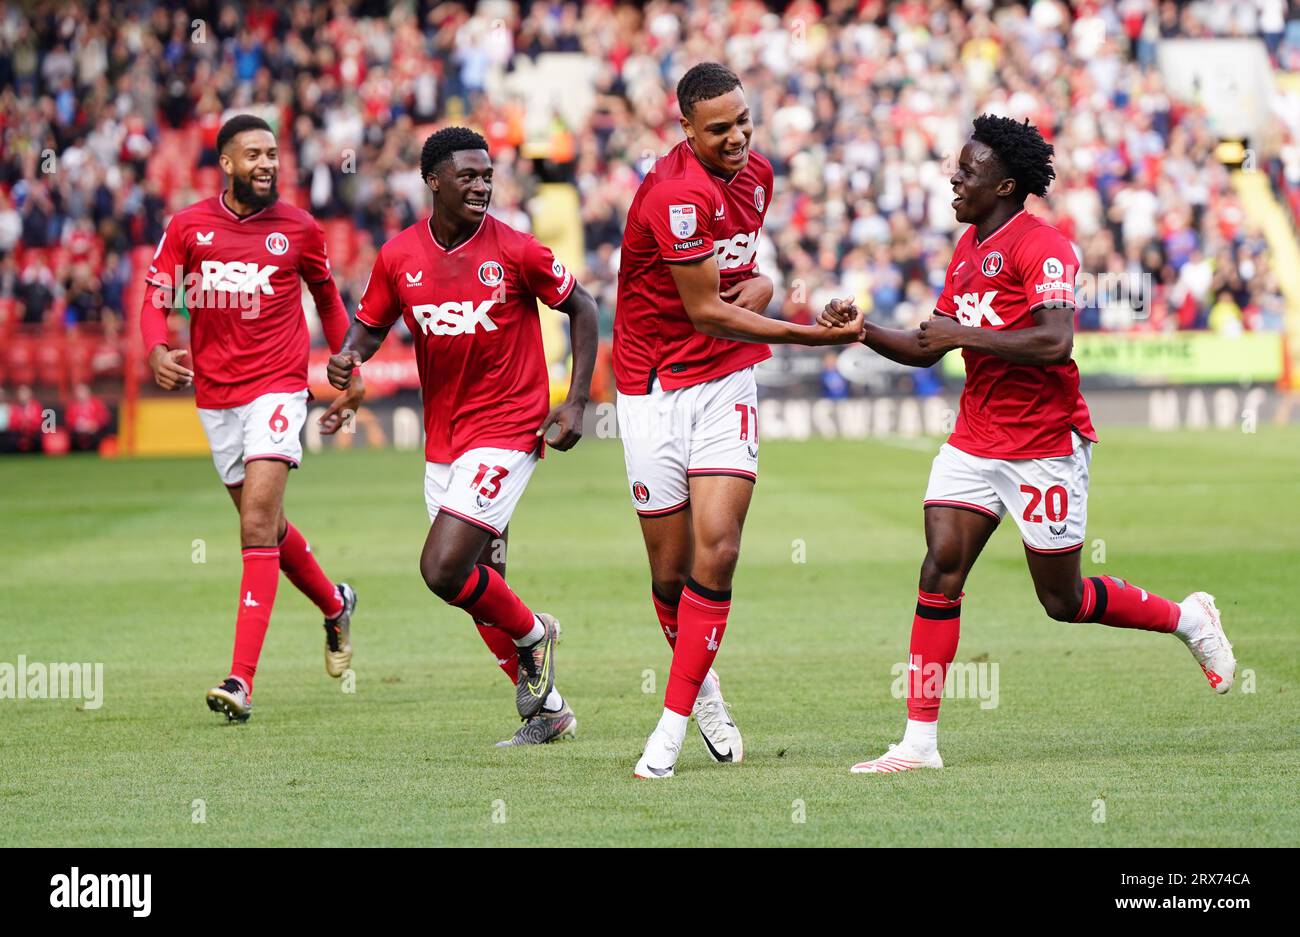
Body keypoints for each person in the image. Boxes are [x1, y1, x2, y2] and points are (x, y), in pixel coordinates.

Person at [819, 115, 1235, 773]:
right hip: (975, 439)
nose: (953, 178)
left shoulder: (1044, 248)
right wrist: (863, 331)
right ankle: (919, 743)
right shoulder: (966, 250)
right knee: (940, 567)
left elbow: (1053, 341)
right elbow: (932, 345)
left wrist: (964, 338)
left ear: (1005, 184)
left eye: (967, 170)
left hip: (1044, 443)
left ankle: (1188, 618)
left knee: (1061, 602)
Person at [614, 63, 862, 779]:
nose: (737, 137)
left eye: (743, 120)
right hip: (654, 386)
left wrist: (766, 287)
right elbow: (707, 310)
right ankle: (706, 689)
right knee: (669, 576)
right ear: (686, 129)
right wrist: (811, 335)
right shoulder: (675, 196)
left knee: (716, 551)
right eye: (718, 127)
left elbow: (746, 276)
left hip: (725, 379)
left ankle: (671, 724)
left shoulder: (758, 176)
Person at [327, 127, 599, 747]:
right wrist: (348, 356)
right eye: (467, 176)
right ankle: (548, 711)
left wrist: (574, 400)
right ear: (433, 181)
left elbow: (582, 306)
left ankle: (535, 634)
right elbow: (369, 327)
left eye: (486, 175)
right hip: (444, 439)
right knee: (482, 586)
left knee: (442, 569)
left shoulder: (515, 250)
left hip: (508, 428)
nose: (481, 185)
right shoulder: (399, 257)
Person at [140, 114, 365, 722]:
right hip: (216, 398)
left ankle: (240, 680)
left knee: (256, 526)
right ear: (228, 164)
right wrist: (157, 350)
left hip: (278, 389)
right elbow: (156, 299)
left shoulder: (300, 228)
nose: (267, 163)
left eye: (272, 153)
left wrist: (350, 368)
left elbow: (328, 299)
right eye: (254, 155)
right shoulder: (187, 227)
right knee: (266, 525)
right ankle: (335, 602)